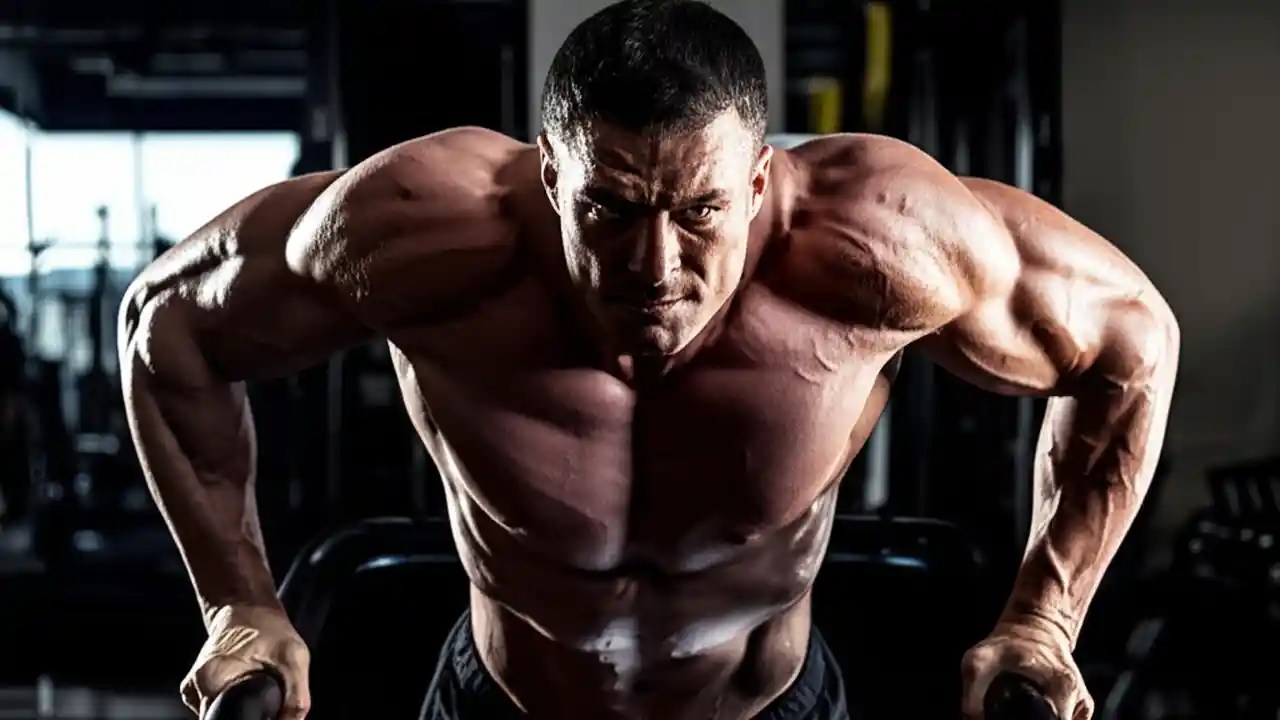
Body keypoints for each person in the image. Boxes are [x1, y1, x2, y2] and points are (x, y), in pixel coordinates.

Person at [117, 1, 1179, 719]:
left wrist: (1045, 618)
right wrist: (237, 604)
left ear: (757, 181)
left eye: (701, 211)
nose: (657, 266)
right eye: (611, 210)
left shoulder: (880, 245)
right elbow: (168, 323)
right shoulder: (421, 233)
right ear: (551, 177)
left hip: (767, 705)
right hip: (504, 702)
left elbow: (1130, 339)